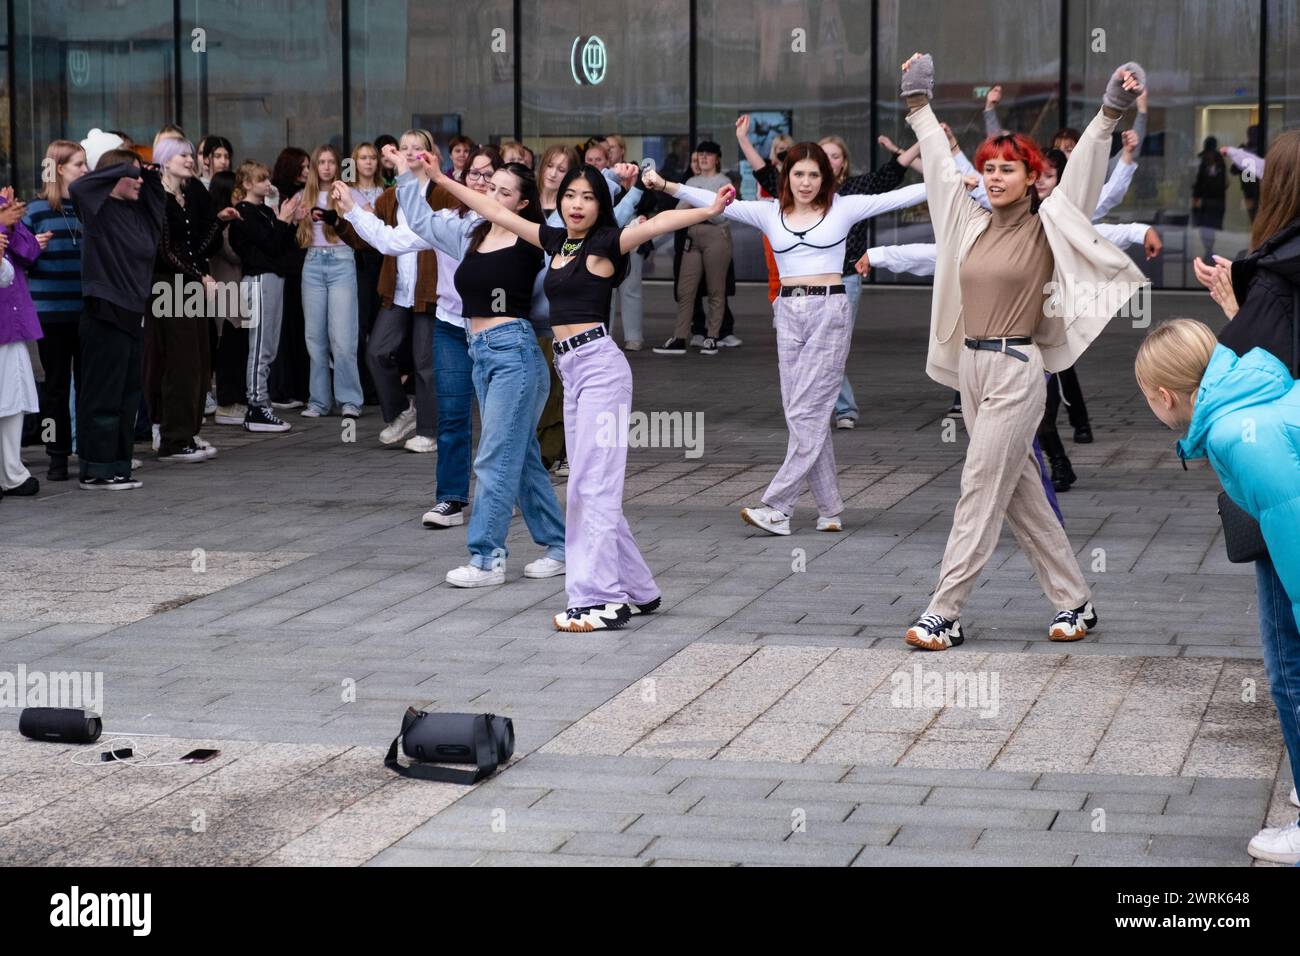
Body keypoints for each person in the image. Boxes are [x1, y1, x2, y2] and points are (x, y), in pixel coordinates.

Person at [894, 52, 1147, 651]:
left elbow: (1083, 170)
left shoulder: (1048, 222)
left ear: (1032, 177)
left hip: (1017, 368)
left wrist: (1110, 111)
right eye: (989, 168)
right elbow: (936, 169)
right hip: (972, 369)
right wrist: (918, 106)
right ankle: (1075, 602)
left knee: (980, 484)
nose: (996, 177)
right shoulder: (967, 221)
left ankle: (945, 610)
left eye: (1009, 169)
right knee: (1021, 494)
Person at [425, 148, 732, 630]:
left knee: (591, 486)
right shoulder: (555, 242)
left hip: (601, 370)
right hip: (571, 371)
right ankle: (640, 589)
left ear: (600, 205)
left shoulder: (609, 242)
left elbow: (658, 223)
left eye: (589, 197)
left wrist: (710, 209)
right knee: (593, 482)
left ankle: (599, 599)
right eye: (570, 195)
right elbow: (492, 209)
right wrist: (436, 176)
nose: (578, 204)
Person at [646, 144, 928, 537]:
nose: (807, 182)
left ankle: (778, 506)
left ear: (825, 178)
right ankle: (829, 507)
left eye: (814, 175)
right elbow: (714, 201)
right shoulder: (768, 213)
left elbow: (895, 197)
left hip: (829, 309)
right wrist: (666, 184)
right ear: (787, 177)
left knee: (805, 413)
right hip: (788, 312)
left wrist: (950, 180)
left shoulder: (842, 208)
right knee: (801, 411)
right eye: (799, 174)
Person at [1136, 319, 1300, 865]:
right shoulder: (1247, 385)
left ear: (1165, 397)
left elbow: (1293, 526)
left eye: (1147, 400)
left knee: (1291, 677)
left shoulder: (1236, 435)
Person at [369, 154, 567, 588]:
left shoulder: (533, 238)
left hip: (515, 352)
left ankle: (486, 558)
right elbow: (421, 221)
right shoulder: (471, 233)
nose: (491, 195)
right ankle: (560, 545)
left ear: (521, 203)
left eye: (503, 191)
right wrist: (410, 173)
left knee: (494, 457)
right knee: (523, 458)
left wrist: (440, 176)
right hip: (480, 352)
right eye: (489, 186)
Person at [1188, 127, 1300, 863]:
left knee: (1286, 650)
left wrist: (1237, 305)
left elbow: (1257, 373)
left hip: (1280, 480)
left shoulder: (1280, 274)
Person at [350, 129, 457, 454]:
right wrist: (341, 218)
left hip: (429, 290)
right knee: (376, 351)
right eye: (404, 147)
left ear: (430, 153)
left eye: (417, 148)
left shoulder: (441, 193)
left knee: (426, 363)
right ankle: (400, 412)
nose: (410, 153)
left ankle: (429, 431)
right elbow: (369, 236)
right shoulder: (390, 195)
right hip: (396, 289)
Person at [68, 148, 166, 490]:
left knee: (127, 395)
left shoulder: (142, 215)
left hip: (133, 314)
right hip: (103, 311)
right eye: (132, 175)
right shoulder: (97, 210)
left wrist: (149, 174)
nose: (139, 181)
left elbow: (159, 201)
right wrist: (123, 166)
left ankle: (118, 465)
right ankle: (96, 469)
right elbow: (79, 188)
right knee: (102, 395)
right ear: (113, 177)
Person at [150, 136, 230, 463]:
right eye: (181, 155)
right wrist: (200, 275)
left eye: (189, 154)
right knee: (179, 362)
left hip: (191, 283)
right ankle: (172, 437)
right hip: (167, 284)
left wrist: (219, 221)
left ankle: (189, 430)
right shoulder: (157, 196)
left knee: (200, 358)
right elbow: (165, 251)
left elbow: (200, 241)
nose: (188, 159)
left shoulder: (192, 191)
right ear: (165, 161)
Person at [23, 140, 88, 482]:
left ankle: (88, 448)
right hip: (50, 311)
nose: (85, 170)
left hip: (84, 309)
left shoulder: (86, 208)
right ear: (59, 168)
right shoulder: (35, 211)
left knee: (88, 383)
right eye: (79, 164)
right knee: (57, 386)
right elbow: (18, 261)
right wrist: (33, 247)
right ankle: (56, 454)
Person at [228, 160, 297, 433]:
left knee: (269, 344)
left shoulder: (265, 211)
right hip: (258, 279)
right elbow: (267, 244)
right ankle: (257, 405)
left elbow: (279, 246)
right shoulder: (242, 213)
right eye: (262, 179)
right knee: (259, 345)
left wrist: (288, 222)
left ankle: (261, 403)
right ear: (247, 184)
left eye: (268, 179)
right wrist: (282, 221)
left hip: (273, 278)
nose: (268, 184)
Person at [295, 144, 363, 418]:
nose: (326, 166)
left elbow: (370, 219)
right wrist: (296, 218)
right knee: (314, 337)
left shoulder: (347, 193)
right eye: (320, 162)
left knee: (344, 338)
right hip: (312, 263)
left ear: (338, 166)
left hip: (341, 260)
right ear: (314, 167)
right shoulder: (304, 195)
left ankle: (350, 400)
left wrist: (348, 212)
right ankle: (319, 401)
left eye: (331, 162)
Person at [653, 141, 733, 355]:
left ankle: (712, 336)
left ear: (717, 158)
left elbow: (723, 215)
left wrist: (695, 203)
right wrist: (702, 205)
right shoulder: (691, 180)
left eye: (708, 154)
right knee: (685, 289)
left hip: (716, 234)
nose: (703, 158)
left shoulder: (723, 181)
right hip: (692, 234)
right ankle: (680, 337)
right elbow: (679, 211)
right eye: (700, 154)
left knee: (716, 288)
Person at [0, 191, 41, 499]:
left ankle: (12, 472)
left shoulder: (3, 205)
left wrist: (10, 226)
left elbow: (29, 252)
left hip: (11, 320)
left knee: (13, 399)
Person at [267, 147, 311, 410]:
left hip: (298, 269)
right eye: (302, 167)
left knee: (297, 329)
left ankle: (296, 386)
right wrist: (290, 220)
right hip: (285, 269)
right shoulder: (277, 194)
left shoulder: (298, 194)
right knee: (284, 330)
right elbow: (276, 238)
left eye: (308, 167)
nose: (306, 172)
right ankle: (281, 387)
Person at [207, 170, 249, 427]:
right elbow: (234, 253)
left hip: (232, 291)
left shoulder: (227, 220)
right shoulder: (223, 222)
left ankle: (234, 400)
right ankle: (226, 403)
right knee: (229, 350)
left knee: (235, 347)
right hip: (226, 291)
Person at [349, 141, 385, 407]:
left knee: (379, 322)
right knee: (360, 324)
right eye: (363, 158)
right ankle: (363, 385)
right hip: (359, 259)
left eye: (373, 157)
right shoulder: (349, 192)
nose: (369, 162)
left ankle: (379, 384)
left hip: (384, 258)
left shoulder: (387, 190)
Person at [1193, 136, 1228, 264]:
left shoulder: (1218, 161)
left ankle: (1209, 250)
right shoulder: (1204, 160)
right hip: (1207, 199)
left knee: (1210, 225)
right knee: (1206, 225)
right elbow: (1197, 180)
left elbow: (1222, 181)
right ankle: (1208, 250)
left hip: (1213, 199)